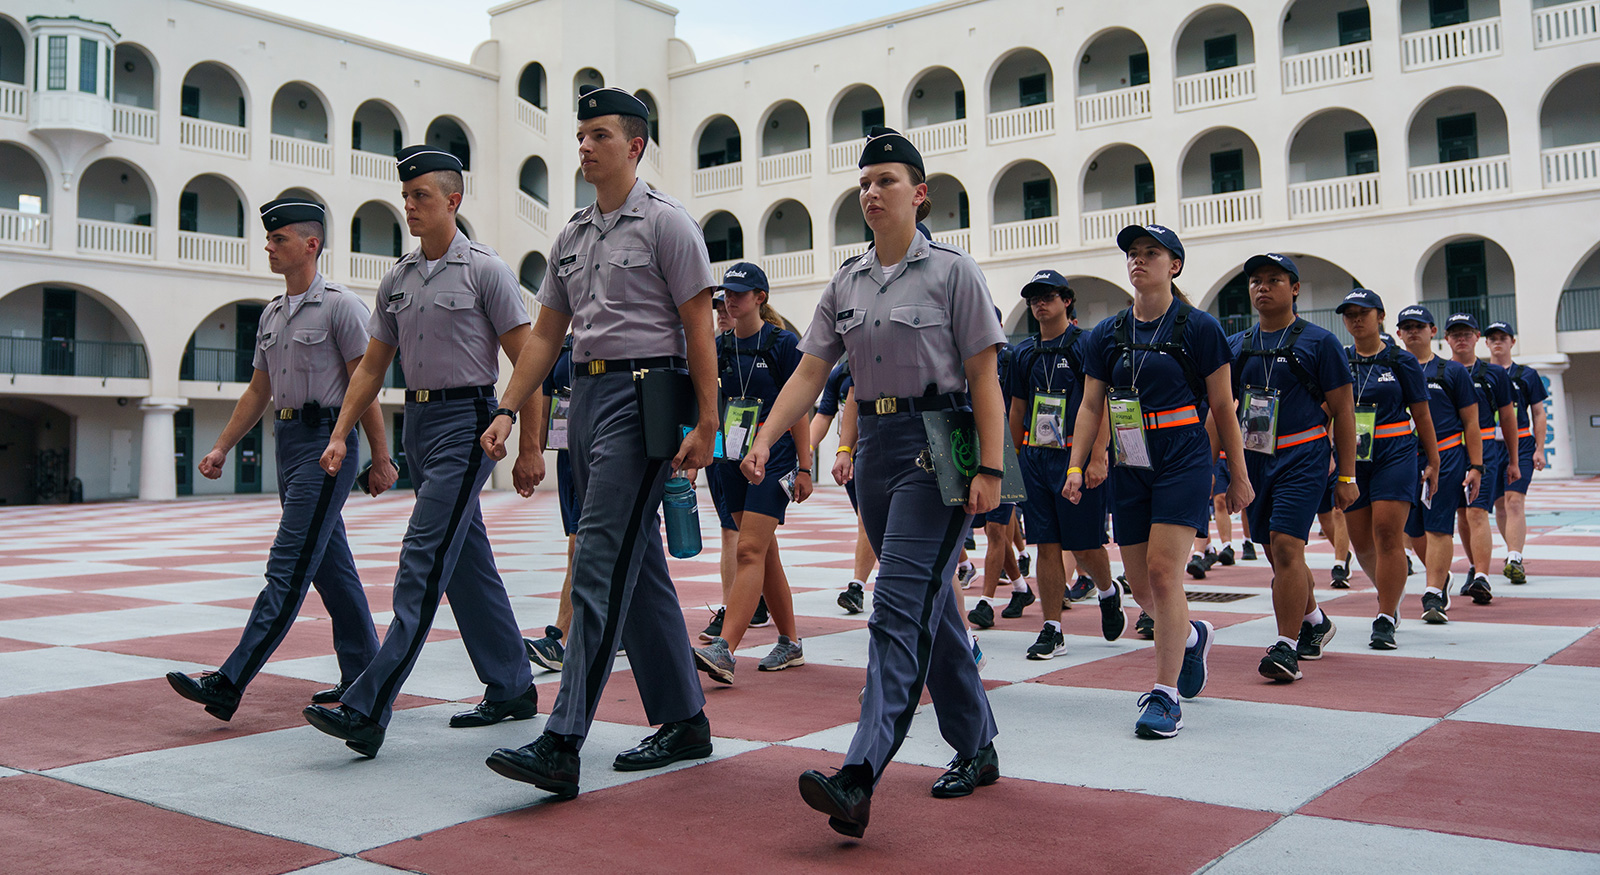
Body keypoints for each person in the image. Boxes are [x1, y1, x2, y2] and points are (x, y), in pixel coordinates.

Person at [739, 127, 1004, 837]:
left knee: (895, 606)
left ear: (919, 194)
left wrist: (990, 468)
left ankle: (858, 773)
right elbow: (809, 372)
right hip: (878, 452)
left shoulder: (954, 272)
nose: (872, 192)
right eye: (865, 183)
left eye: (886, 180)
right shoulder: (847, 280)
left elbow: (985, 376)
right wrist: (767, 438)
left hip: (937, 451)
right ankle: (977, 744)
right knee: (928, 607)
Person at [481, 87, 719, 798]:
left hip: (646, 395)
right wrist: (507, 407)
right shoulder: (572, 236)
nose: (584, 146)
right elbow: (547, 335)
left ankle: (563, 739)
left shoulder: (668, 224)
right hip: (585, 397)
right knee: (635, 562)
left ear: (635, 146)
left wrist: (706, 420)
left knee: (598, 559)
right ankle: (684, 718)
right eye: (580, 135)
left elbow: (699, 327)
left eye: (599, 135)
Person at [302, 147, 540, 758]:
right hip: (419, 421)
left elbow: (528, 360)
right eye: (405, 196)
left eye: (422, 196)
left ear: (453, 200)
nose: (409, 205)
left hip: (468, 421)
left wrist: (529, 446)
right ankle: (512, 684)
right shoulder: (397, 279)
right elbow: (370, 368)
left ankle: (368, 703)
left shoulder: (486, 270)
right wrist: (340, 433)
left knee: (422, 557)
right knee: (464, 561)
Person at [167, 199, 392, 721]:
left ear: (311, 245)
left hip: (326, 443)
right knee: (332, 569)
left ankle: (230, 680)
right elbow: (257, 391)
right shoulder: (272, 313)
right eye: (268, 240)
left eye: (279, 239)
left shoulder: (341, 306)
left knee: (287, 566)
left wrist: (381, 455)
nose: (268, 246)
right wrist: (222, 446)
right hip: (288, 441)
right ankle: (363, 675)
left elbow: (366, 384)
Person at [1066, 224, 1250, 737]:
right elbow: (1089, 406)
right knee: (1142, 586)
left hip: (1183, 455)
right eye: (1132, 253)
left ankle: (1165, 696)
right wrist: (1078, 464)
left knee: (1166, 573)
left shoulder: (1199, 328)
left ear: (1175, 265)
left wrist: (1237, 473)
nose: (1138, 260)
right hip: (1129, 458)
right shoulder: (1106, 334)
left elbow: (1223, 407)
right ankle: (1190, 636)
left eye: (1151, 252)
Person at [1225, 253, 1357, 682]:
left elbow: (1344, 411)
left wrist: (1348, 475)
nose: (1262, 287)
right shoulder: (1238, 345)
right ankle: (1316, 621)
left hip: (1305, 456)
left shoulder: (1320, 342)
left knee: (1286, 546)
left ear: (1295, 288)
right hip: (1255, 459)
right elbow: (1220, 409)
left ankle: (1285, 646)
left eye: (1274, 280)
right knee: (1273, 550)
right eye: (1256, 281)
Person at [692, 263, 813, 681]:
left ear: (761, 297)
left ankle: (725, 649)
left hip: (774, 460)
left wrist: (806, 466)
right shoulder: (719, 346)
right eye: (726, 293)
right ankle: (791, 642)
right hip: (731, 461)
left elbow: (798, 408)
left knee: (748, 551)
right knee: (764, 552)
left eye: (740, 293)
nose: (730, 300)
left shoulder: (782, 343)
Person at [1008, 270, 1126, 657]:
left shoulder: (1085, 345)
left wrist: (1097, 457)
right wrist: (1012, 460)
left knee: (1085, 543)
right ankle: (1052, 626)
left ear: (1067, 300)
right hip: (1036, 457)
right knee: (1046, 543)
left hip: (1076, 454)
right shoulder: (1023, 352)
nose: (1040, 303)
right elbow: (1018, 409)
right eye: (1034, 298)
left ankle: (1108, 591)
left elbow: (1103, 403)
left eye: (1048, 296)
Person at [1334, 290, 1438, 649]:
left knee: (1387, 533)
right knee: (1361, 541)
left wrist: (1434, 461)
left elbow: (1422, 414)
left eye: (1363, 313)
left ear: (1379, 316)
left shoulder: (1401, 361)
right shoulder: (1338, 359)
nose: (1356, 320)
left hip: (1396, 453)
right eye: (1349, 315)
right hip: (1351, 457)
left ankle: (1384, 615)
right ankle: (1389, 595)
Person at [1397, 305, 1482, 625]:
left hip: (1447, 458)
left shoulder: (1452, 371)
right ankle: (1441, 575)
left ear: (1433, 331)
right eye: (1407, 326)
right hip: (1403, 458)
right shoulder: (1393, 369)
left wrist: (1476, 466)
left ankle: (1433, 592)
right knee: (1412, 529)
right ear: (1398, 333)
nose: (1413, 331)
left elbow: (1471, 423)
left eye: (1419, 326)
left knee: (1438, 525)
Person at [1445, 312, 1519, 606]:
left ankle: (1483, 577)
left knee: (1477, 512)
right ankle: (1475, 566)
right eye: (1455, 334)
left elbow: (1509, 418)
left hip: (1485, 450)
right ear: (1447, 339)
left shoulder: (1495, 374)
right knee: (1462, 514)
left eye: (1466, 333)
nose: (1461, 339)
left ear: (1477, 337)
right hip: (1451, 451)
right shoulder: (1442, 371)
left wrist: (1513, 459)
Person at [522, 335, 577, 672]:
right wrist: (531, 454)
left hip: (604, 451)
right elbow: (543, 410)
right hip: (569, 457)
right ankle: (625, 632)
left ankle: (560, 638)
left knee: (580, 546)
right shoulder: (560, 345)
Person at [813, 358, 878, 614]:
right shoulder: (840, 373)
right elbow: (824, 415)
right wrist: (806, 451)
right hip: (854, 458)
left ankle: (857, 587)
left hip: (880, 453)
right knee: (871, 524)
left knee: (868, 521)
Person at [1484, 321, 1546, 584]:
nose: (1498, 342)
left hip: (1521, 444)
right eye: (1493, 338)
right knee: (1499, 505)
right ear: (1486, 343)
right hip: (1490, 446)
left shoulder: (1526, 375)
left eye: (1503, 337)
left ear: (1512, 341)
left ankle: (1514, 557)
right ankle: (1511, 553)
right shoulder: (1479, 374)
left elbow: (1539, 412)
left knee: (1514, 501)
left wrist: (1540, 449)